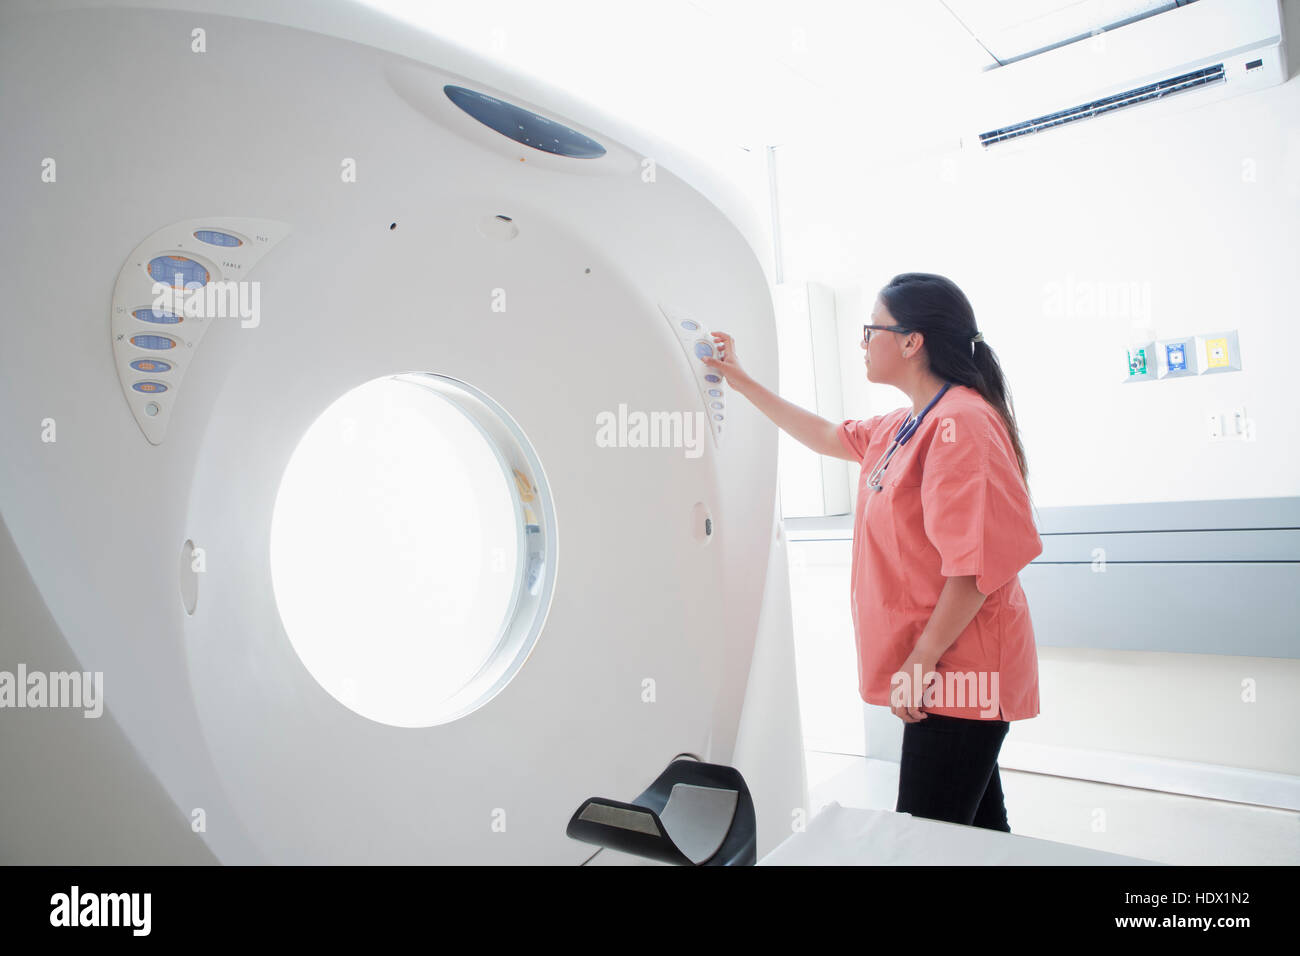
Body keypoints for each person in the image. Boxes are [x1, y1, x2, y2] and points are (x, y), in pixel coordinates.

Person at [702, 272, 1042, 833]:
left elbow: (977, 568)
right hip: (945, 670)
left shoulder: (961, 423)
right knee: (976, 834)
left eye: (871, 329)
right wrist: (739, 380)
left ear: (913, 341)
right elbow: (826, 435)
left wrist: (922, 659)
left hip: (962, 670)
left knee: (920, 836)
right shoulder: (907, 423)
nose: (862, 342)